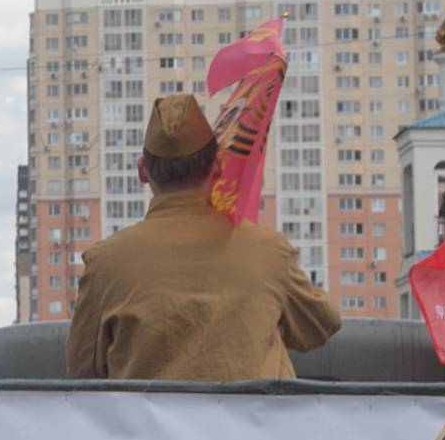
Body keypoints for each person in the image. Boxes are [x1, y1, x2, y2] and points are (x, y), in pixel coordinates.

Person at [65, 92, 342, 381]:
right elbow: (321, 324)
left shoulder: (106, 263)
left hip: (146, 428)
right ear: (218, 167)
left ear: (142, 171)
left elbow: (82, 369)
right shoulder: (268, 251)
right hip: (251, 426)